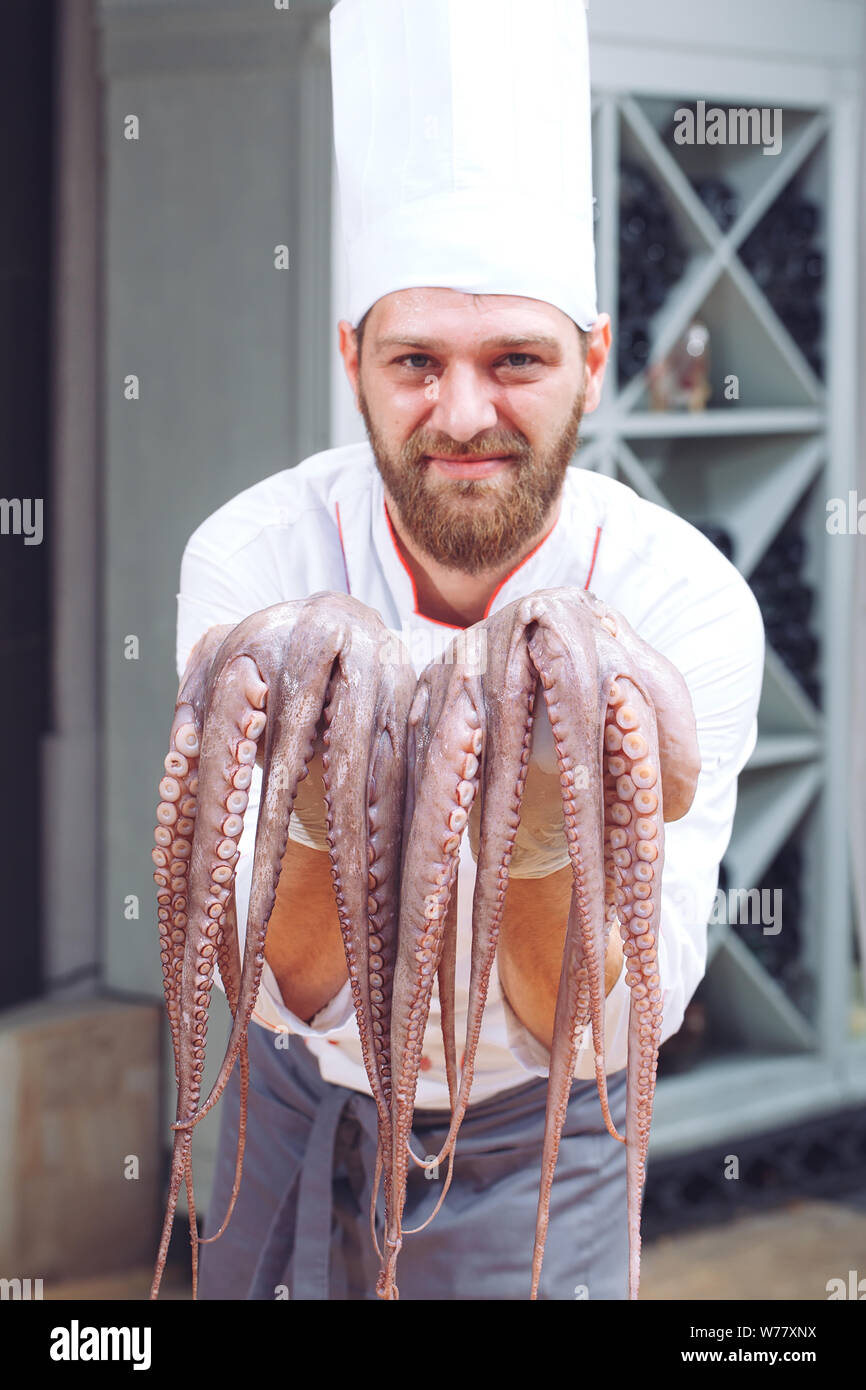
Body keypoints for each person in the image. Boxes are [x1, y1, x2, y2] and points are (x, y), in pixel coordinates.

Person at [172, 0, 765, 1300]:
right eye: (412, 361)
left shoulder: (687, 604)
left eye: (516, 360)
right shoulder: (254, 561)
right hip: (289, 1103)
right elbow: (281, 983)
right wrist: (326, 799)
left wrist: (550, 817)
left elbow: (606, 1023)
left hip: (541, 1143)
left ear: (595, 362)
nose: (462, 414)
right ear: (349, 358)